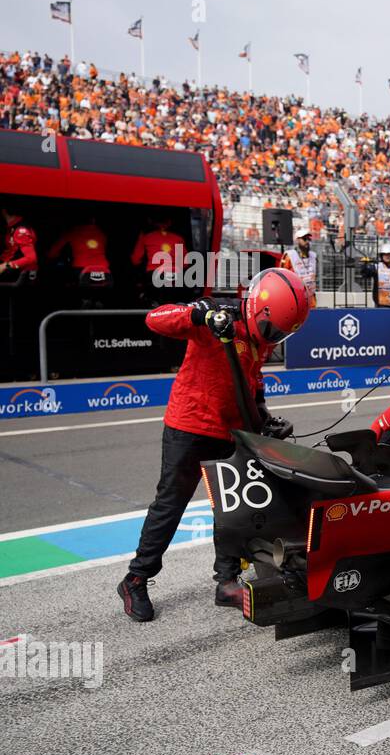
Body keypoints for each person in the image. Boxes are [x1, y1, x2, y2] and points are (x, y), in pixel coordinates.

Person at [117, 269, 310, 622]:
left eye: (281, 334)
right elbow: (154, 319)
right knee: (170, 504)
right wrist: (199, 313)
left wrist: (264, 414)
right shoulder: (216, 317)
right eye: (271, 330)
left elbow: (253, 377)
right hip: (189, 425)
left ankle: (226, 581)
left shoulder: (261, 337)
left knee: (234, 507)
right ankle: (136, 579)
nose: (273, 337)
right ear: (256, 307)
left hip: (229, 431)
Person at [131, 215, 184, 298]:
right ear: (169, 223)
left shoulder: (146, 237)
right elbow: (184, 263)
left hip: (154, 274)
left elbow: (135, 260)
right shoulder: (178, 238)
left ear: (151, 222)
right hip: (175, 275)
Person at [45, 216, 111, 282]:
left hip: (81, 268)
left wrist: (51, 255)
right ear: (93, 220)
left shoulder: (72, 232)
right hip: (104, 267)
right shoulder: (102, 232)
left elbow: (54, 251)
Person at [280, 228, 318, 302]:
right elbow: (281, 276)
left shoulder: (314, 256)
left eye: (308, 239)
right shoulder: (289, 255)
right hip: (295, 297)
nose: (307, 241)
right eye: (304, 239)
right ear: (297, 240)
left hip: (311, 297)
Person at [0, 207, 37, 281]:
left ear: (4, 210)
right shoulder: (11, 225)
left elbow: (31, 258)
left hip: (15, 271)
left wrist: (5, 265)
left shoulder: (20, 229)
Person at [373, 242, 390, 307]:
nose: (387, 256)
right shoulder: (376, 267)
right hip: (381, 304)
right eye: (385, 254)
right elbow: (365, 273)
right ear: (381, 256)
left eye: (389, 254)